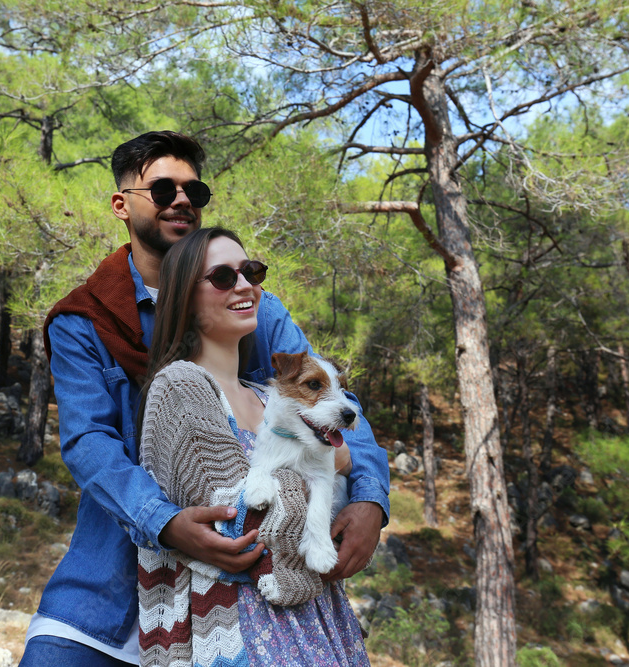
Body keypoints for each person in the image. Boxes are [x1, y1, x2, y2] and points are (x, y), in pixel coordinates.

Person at [20, 131, 389, 666]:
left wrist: (369, 499)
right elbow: (88, 440)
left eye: (194, 190)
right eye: (162, 189)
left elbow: (330, 404)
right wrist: (165, 522)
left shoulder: (254, 308)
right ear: (121, 205)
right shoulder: (84, 320)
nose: (181, 200)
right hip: (110, 587)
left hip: (247, 596)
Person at [137, 226, 371, 666]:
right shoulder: (181, 387)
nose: (245, 284)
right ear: (185, 298)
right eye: (223, 277)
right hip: (242, 622)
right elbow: (241, 519)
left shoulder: (268, 398)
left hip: (317, 617)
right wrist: (332, 474)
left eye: (251, 271)